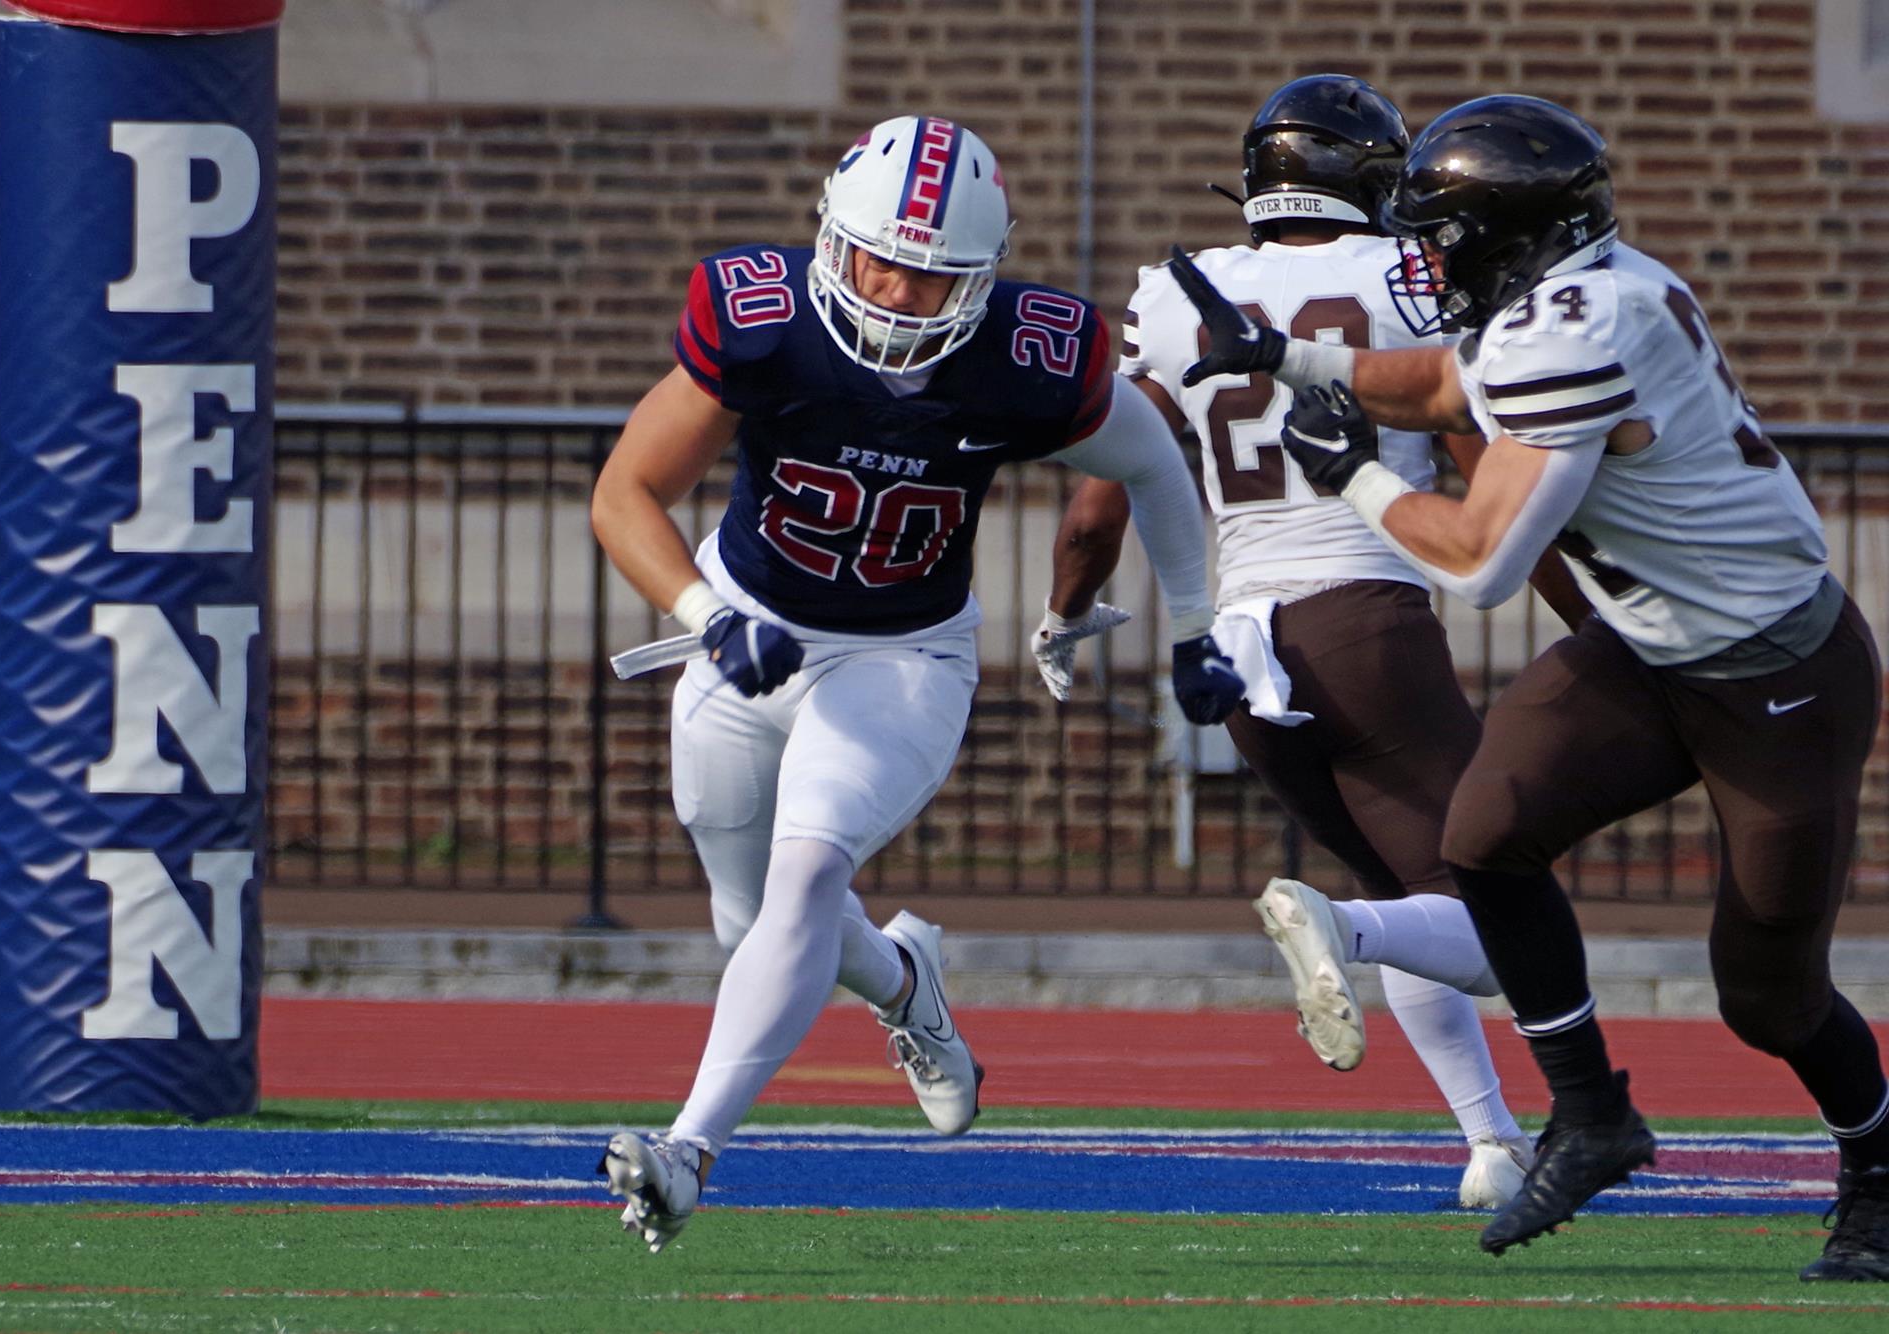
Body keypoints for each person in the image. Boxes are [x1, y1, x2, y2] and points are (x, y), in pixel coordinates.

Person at [1176, 93, 1889, 1278]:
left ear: (1504, 238)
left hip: (1776, 675)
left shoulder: (1579, 327)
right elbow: (1450, 384)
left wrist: (1351, 477)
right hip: (1651, 644)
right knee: (1485, 830)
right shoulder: (1577, 289)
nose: (1423, 255)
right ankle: (1590, 1111)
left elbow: (1483, 559)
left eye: (1442, 234)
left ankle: (1875, 1167)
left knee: (1765, 994)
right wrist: (1288, 355)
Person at [588, 114, 1243, 1252]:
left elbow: (1147, 461)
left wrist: (1195, 626)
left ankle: (687, 1151)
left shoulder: (1025, 352)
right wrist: (704, 614)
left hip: (902, 653)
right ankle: (903, 978)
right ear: (827, 236)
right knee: (746, 922)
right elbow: (623, 493)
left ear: (982, 277)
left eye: (930, 272)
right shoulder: (764, 320)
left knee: (800, 884)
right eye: (876, 256)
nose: (893, 290)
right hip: (750, 631)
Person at [1038, 74, 1585, 1209]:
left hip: (1237, 653)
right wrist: (1600, 619)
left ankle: (1488, 1139)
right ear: (1372, 182)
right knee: (1488, 911)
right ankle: (1335, 930)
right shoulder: (1406, 278)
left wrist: (1062, 613)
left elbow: (1097, 503)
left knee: (1407, 894)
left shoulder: (1176, 293)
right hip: (1363, 615)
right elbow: (1495, 488)